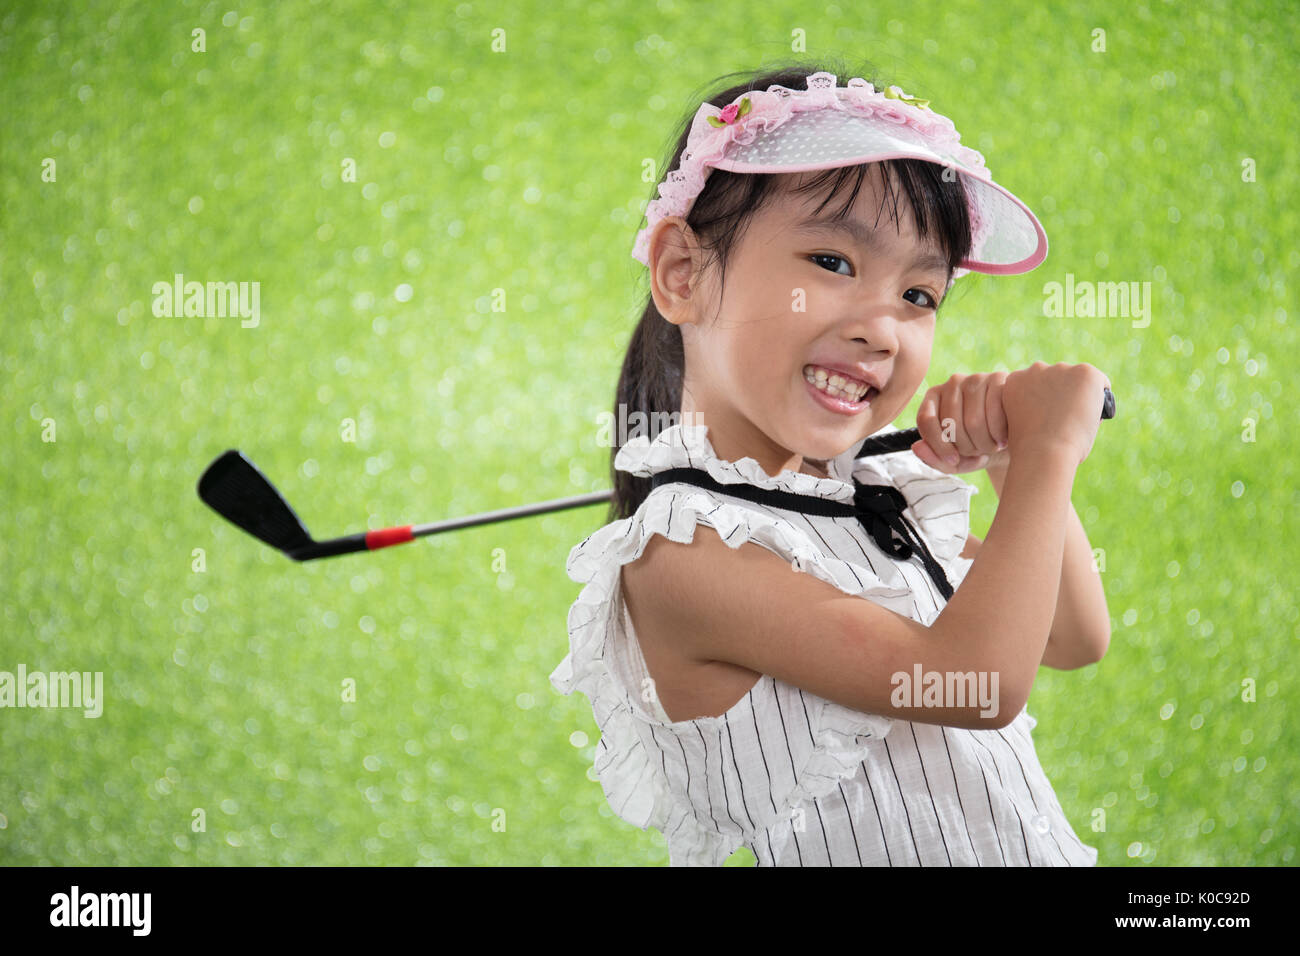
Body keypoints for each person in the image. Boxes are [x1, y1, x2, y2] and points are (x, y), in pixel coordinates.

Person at [549, 60, 1112, 866]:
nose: (883, 330)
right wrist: (1054, 451)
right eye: (833, 264)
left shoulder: (879, 499)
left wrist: (1015, 467)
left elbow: (1068, 634)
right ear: (683, 273)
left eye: (920, 296)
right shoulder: (686, 558)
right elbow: (976, 685)